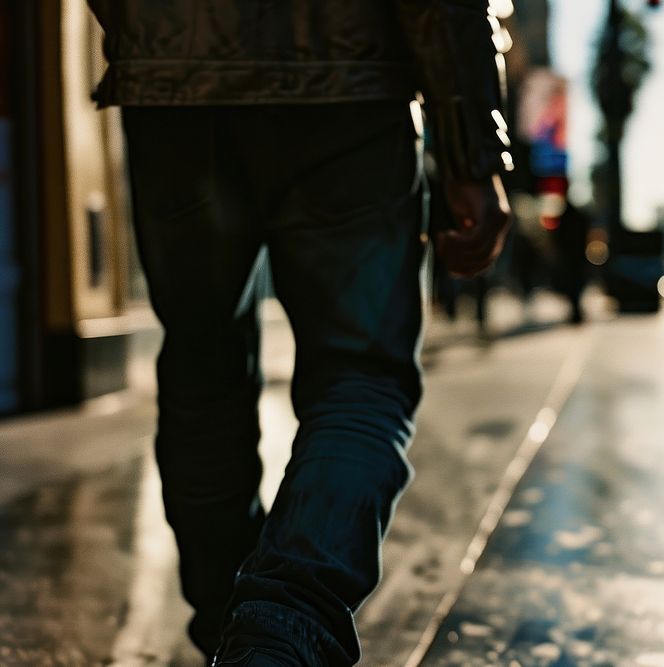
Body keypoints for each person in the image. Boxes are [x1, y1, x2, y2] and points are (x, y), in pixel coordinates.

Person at [85, 2, 513, 665]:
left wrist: (149, 35)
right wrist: (472, 154)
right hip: (350, 84)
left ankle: (238, 634)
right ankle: (282, 628)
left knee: (203, 370)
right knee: (363, 376)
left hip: (173, 86)